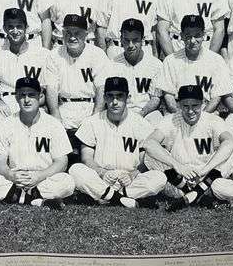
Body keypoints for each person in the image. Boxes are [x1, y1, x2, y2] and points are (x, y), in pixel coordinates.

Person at [0, 77, 75, 208]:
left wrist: (40, 176)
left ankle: (19, 196)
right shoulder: (6, 124)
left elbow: (62, 162)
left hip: (43, 178)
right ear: (16, 98)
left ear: (40, 97)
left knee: (67, 181)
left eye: (31, 95)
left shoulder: (53, 124)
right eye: (22, 95)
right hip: (15, 179)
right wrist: (10, 175)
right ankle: (34, 197)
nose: (27, 100)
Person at [69, 77, 167, 208]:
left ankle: (106, 196)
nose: (114, 102)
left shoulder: (140, 123)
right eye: (110, 96)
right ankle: (121, 199)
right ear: (104, 97)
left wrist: (133, 175)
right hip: (102, 177)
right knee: (76, 170)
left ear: (128, 97)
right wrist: (101, 172)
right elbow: (87, 158)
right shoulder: (92, 122)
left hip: (129, 179)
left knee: (159, 178)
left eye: (120, 96)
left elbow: (145, 158)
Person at [143, 84, 233, 211]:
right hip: (177, 181)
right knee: (149, 155)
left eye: (195, 106)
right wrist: (178, 166)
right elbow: (149, 143)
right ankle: (196, 194)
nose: (190, 111)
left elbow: (229, 142)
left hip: (207, 177)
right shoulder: (170, 119)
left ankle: (196, 192)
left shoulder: (213, 120)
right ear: (179, 105)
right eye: (186, 106)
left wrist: (205, 170)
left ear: (203, 103)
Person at [45, 14, 112, 145]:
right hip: (64, 108)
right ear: (62, 33)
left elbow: (101, 88)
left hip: (89, 107)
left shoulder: (97, 54)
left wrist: (94, 118)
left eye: (77, 33)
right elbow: (51, 89)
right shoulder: (54, 55)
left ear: (86, 34)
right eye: (68, 32)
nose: (72, 37)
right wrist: (56, 116)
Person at [155, 15, 233, 117]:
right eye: (188, 36)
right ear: (182, 36)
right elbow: (168, 96)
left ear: (203, 35)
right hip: (178, 111)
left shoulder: (216, 60)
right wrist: (180, 115)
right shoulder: (171, 60)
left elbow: (216, 97)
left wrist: (201, 116)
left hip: (206, 111)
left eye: (197, 35)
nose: (193, 41)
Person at [0, 8, 57, 120]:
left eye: (19, 26)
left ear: (27, 28)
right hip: (5, 103)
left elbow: (47, 90)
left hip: (32, 102)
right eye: (10, 27)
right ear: (4, 29)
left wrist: (34, 103)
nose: (15, 31)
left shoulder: (42, 54)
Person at [95, 18, 164, 125]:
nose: (131, 45)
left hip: (146, 113)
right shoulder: (112, 64)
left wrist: (141, 114)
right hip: (120, 114)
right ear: (121, 39)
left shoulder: (156, 65)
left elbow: (155, 99)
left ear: (142, 39)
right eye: (127, 40)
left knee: (157, 119)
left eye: (135, 40)